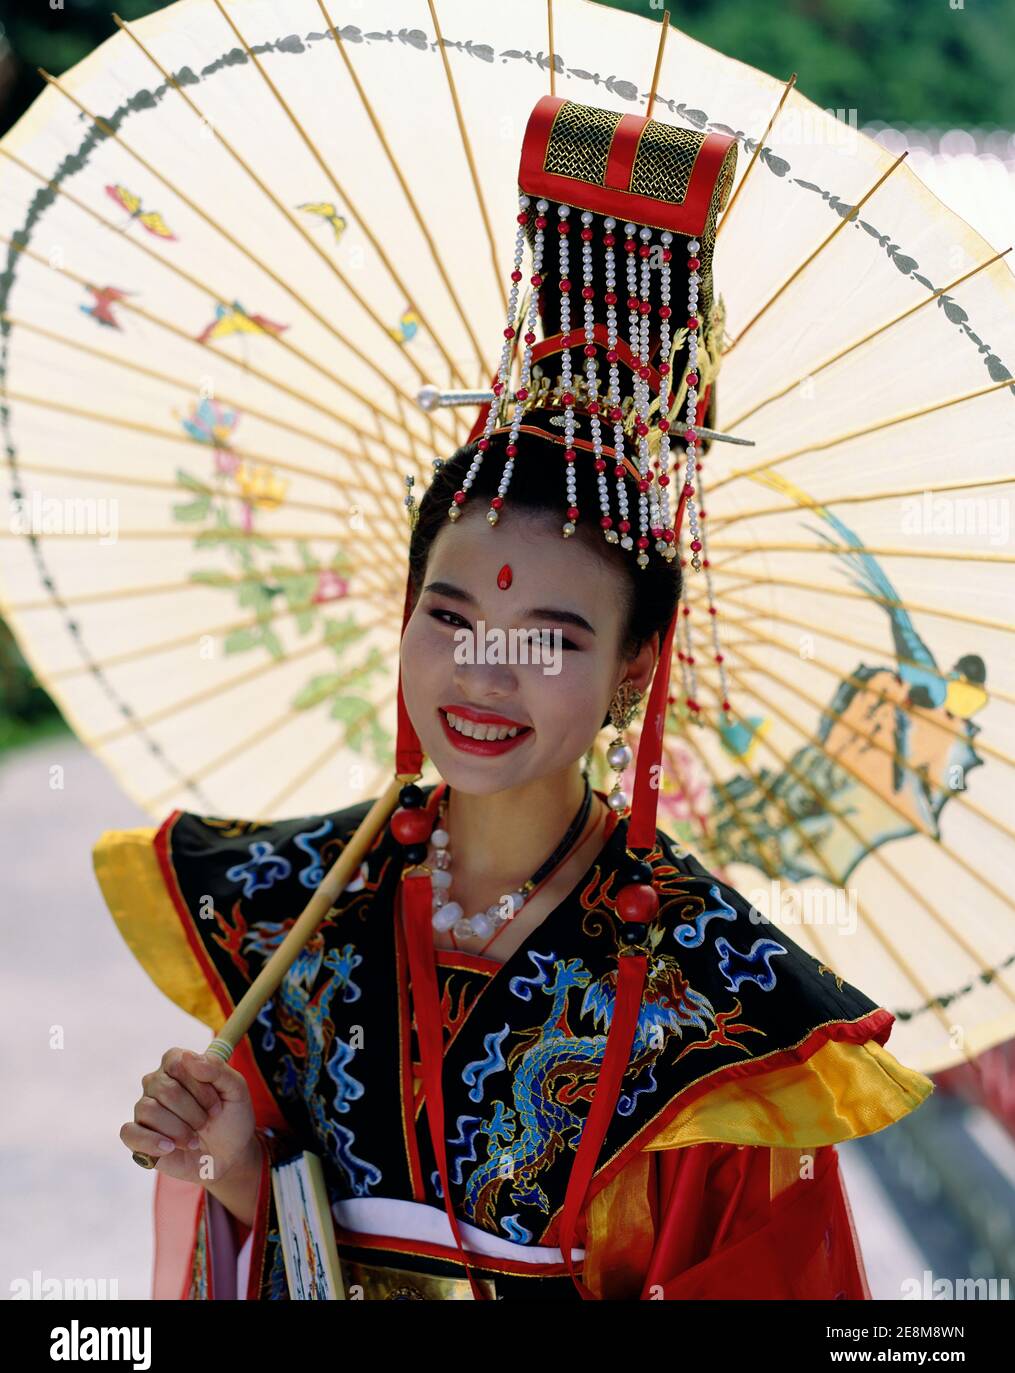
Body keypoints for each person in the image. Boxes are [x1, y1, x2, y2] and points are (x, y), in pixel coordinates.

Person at [93, 93, 934, 1301]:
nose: (482, 677)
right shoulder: (286, 916)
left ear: (635, 668)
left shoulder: (715, 1000)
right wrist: (236, 1170)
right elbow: (274, 1246)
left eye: (550, 637)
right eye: (447, 617)